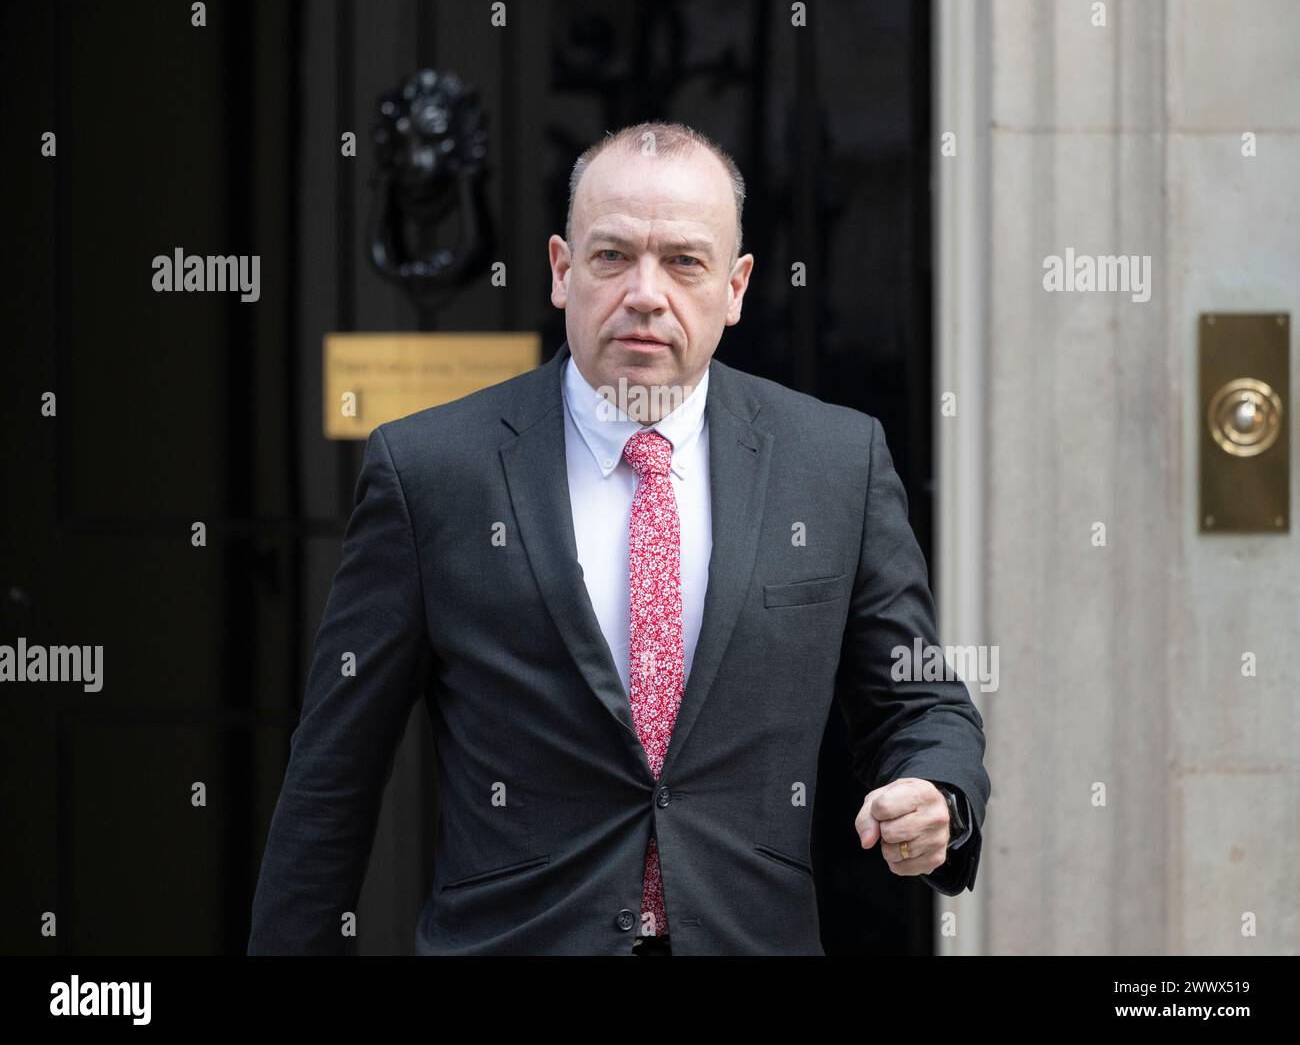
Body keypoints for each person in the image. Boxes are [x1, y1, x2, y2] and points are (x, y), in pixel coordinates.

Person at [248, 120, 989, 956]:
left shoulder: (834, 461)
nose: (645, 292)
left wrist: (939, 790)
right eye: (612, 258)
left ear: (736, 287)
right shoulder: (430, 473)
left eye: (684, 261)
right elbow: (332, 779)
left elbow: (918, 700)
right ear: (562, 271)